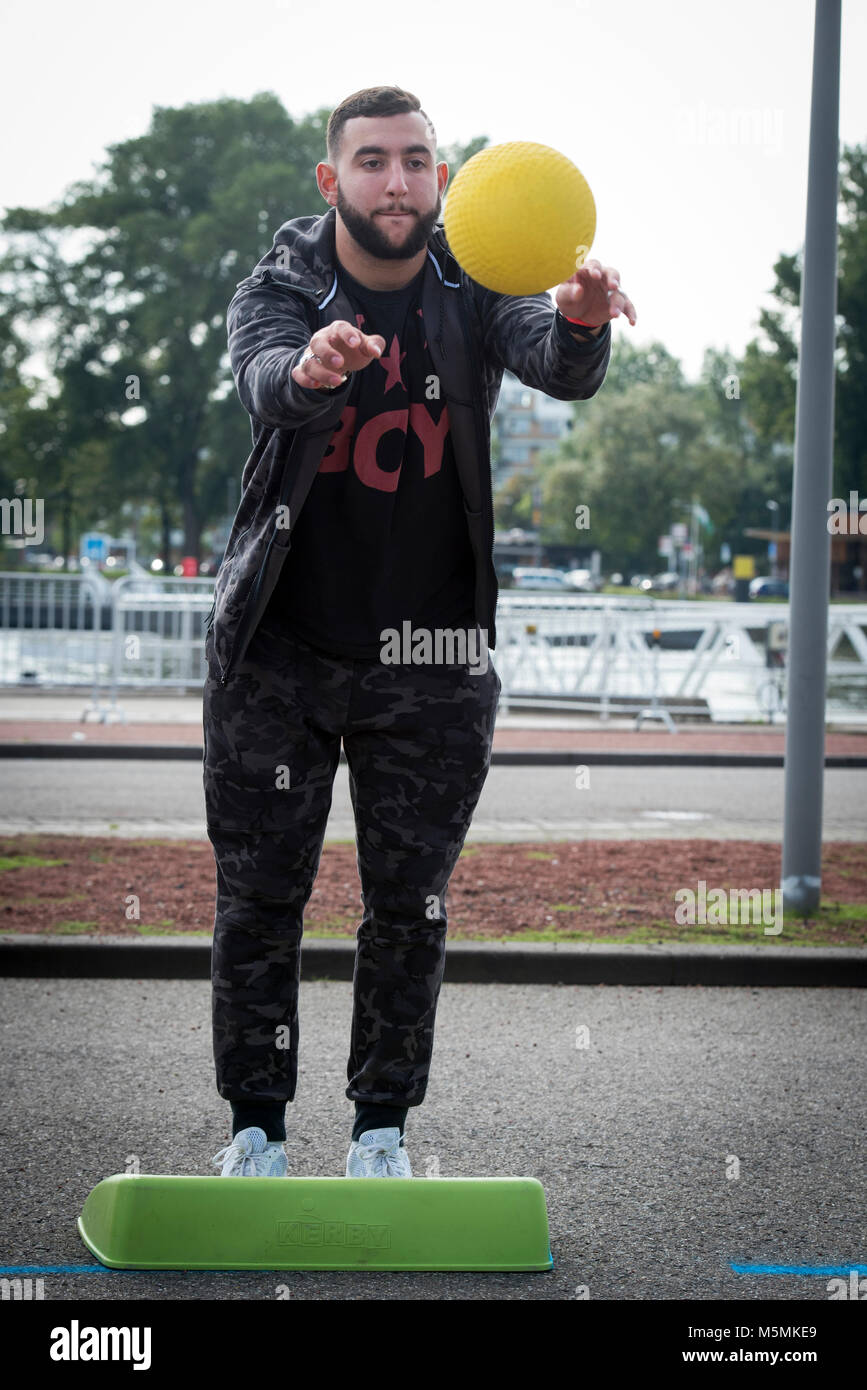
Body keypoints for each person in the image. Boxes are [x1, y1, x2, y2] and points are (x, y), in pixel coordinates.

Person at [204, 85, 636, 1180]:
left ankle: (381, 1133)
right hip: (280, 653)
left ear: (442, 178)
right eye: (372, 161)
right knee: (260, 898)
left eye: (415, 161)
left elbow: (556, 359)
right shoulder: (284, 282)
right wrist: (311, 370)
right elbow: (264, 377)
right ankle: (256, 1127)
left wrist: (582, 316)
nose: (395, 181)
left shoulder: (474, 279)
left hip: (432, 662)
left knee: (411, 906)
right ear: (331, 179)